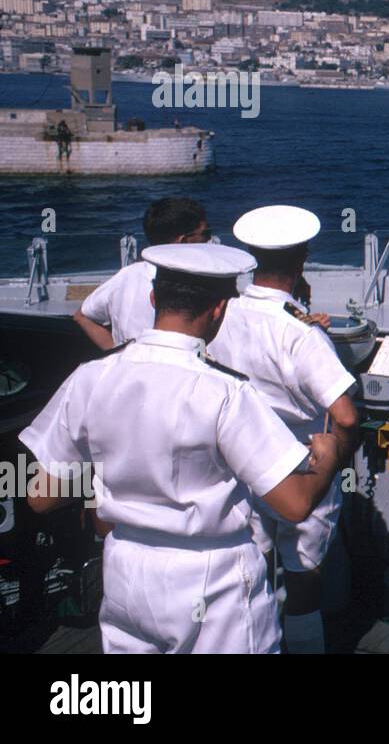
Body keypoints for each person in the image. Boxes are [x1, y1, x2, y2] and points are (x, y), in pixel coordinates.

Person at [20, 243, 347, 653]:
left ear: (154, 298)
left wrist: (110, 471)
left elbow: (40, 496)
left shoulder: (89, 378)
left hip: (125, 572)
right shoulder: (225, 392)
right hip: (212, 584)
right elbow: (294, 504)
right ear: (218, 310)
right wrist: (329, 458)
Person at [207, 205, 358, 654]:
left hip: (243, 459)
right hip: (302, 463)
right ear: (301, 263)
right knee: (303, 576)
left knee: (249, 568)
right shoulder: (301, 333)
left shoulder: (223, 314)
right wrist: (336, 458)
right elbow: (346, 415)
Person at [74, 197, 210, 350]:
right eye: (206, 233)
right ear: (183, 241)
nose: (209, 240)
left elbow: (83, 315)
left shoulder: (126, 275)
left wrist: (117, 352)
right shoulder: (199, 285)